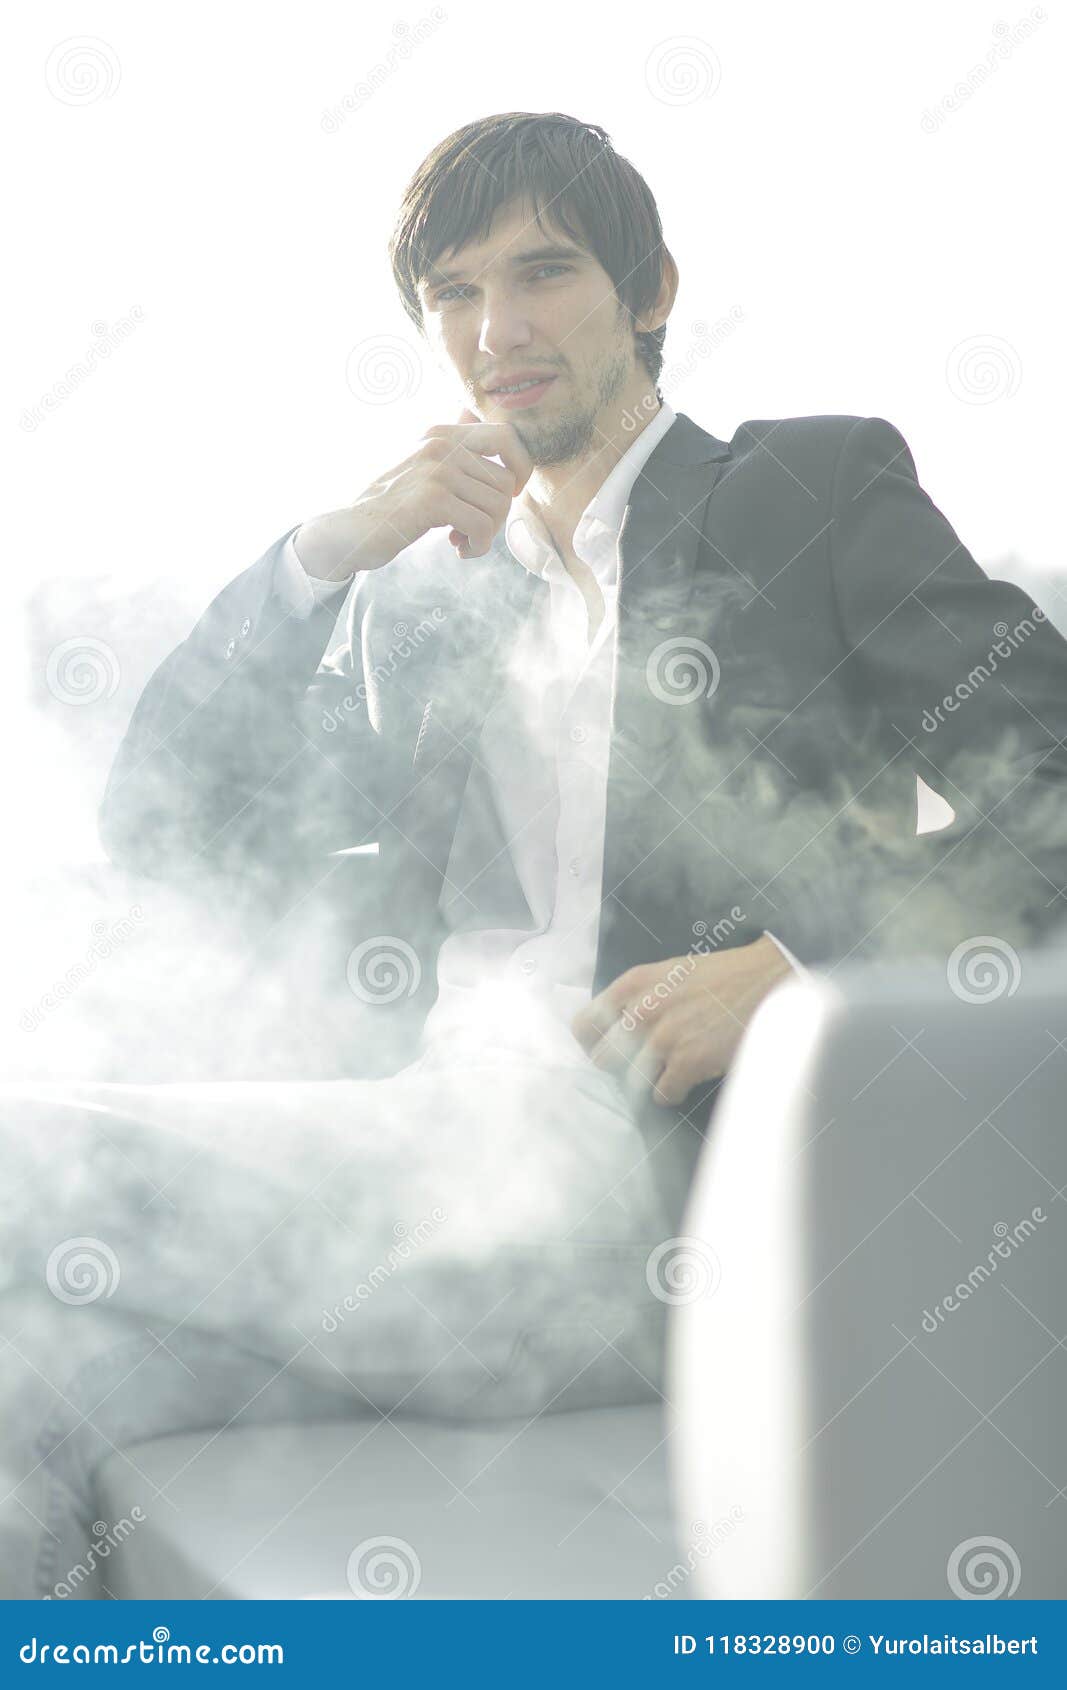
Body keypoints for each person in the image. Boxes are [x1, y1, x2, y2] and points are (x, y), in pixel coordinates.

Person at [5, 109, 1067, 1600]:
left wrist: (801, 970)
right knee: (38, 1381)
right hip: (432, 1161)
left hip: (647, 1200)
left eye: (545, 271)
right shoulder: (432, 596)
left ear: (650, 290)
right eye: (454, 291)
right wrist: (330, 548)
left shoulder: (804, 496)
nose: (497, 329)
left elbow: (1052, 790)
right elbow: (165, 818)